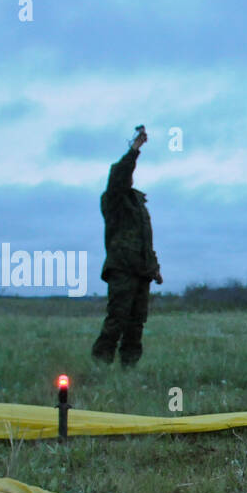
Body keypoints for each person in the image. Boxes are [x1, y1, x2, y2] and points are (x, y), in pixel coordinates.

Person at [93, 126, 162, 366]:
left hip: (142, 270)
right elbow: (119, 173)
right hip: (121, 267)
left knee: (136, 322)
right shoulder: (113, 200)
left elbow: (146, 239)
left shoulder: (138, 204)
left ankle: (129, 368)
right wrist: (134, 150)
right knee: (117, 318)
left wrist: (154, 267)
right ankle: (101, 364)